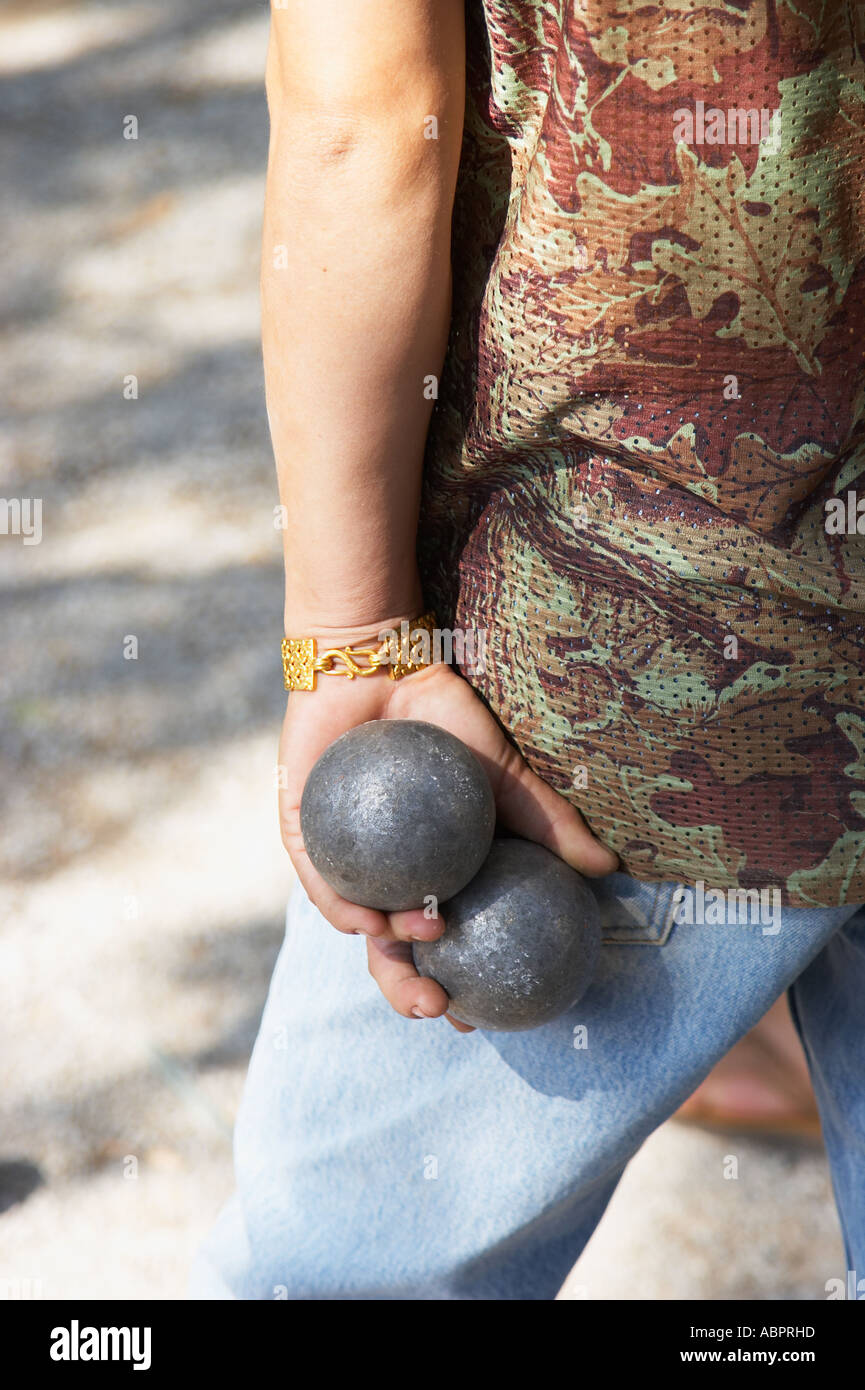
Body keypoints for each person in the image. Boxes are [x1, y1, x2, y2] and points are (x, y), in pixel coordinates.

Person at [192, 1, 865, 1299]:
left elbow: (363, 120)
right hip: (665, 673)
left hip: (626, 661)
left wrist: (349, 639)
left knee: (345, 1279)